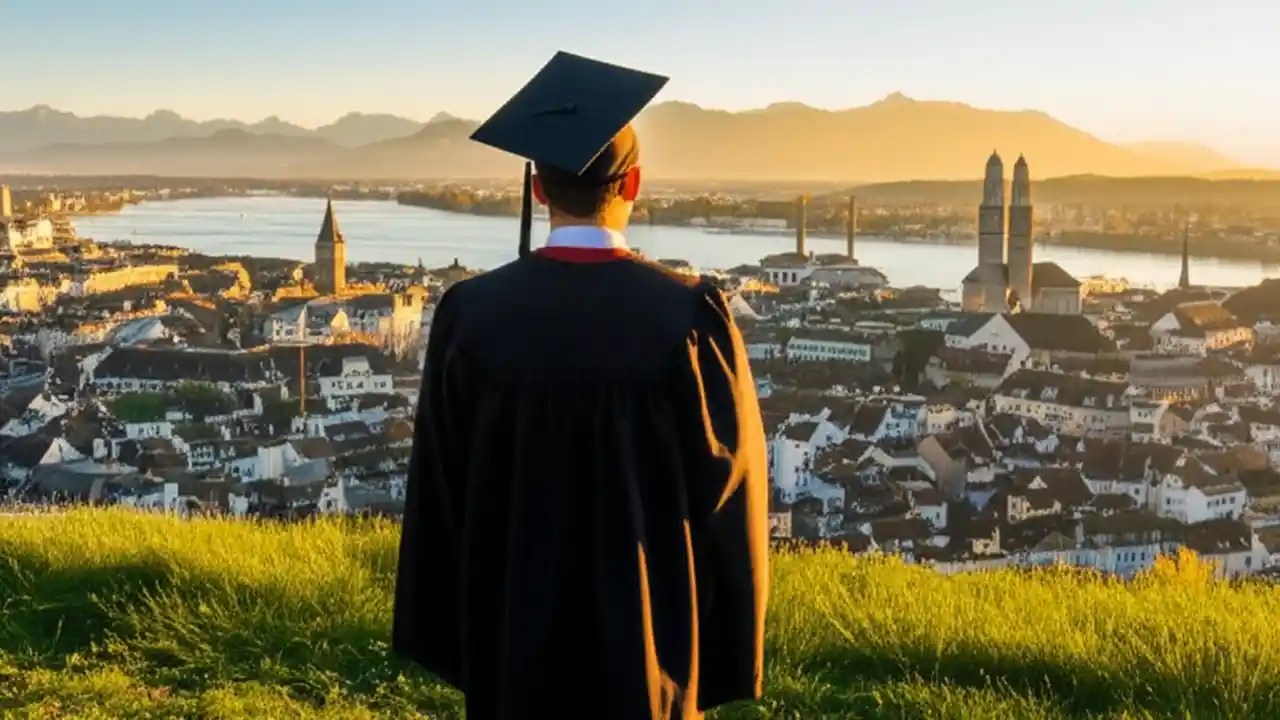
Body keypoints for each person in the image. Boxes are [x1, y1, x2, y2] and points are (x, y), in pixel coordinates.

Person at [392, 51, 769, 720]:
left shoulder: (471, 316)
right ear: (634, 185)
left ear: (538, 190)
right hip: (647, 643)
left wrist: (456, 632)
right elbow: (727, 490)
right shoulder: (688, 317)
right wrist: (723, 641)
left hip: (511, 639)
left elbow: (440, 489)